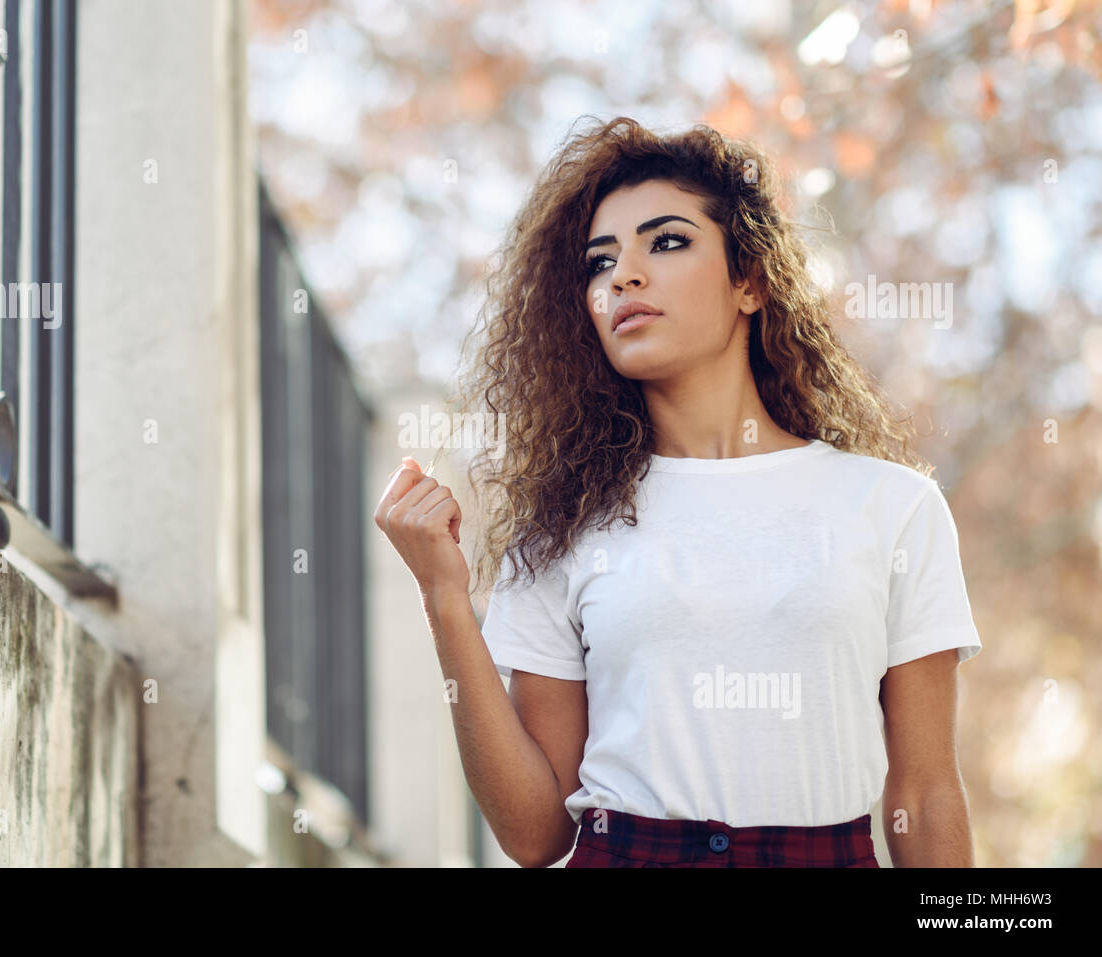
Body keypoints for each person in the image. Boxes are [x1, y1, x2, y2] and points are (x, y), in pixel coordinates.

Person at [373, 116, 981, 868]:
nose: (623, 275)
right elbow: (535, 834)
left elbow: (923, 796)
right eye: (601, 262)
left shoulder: (894, 508)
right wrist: (442, 597)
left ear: (750, 281)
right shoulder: (561, 530)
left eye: (665, 242)